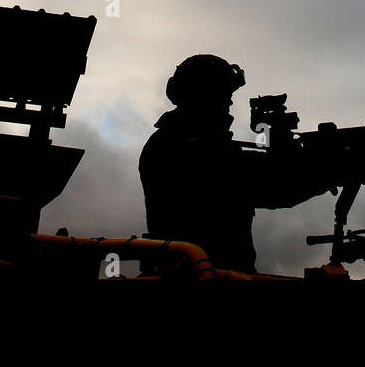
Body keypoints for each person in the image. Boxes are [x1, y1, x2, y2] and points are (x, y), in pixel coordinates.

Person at [139, 55, 330, 273]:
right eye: (224, 95)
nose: (229, 103)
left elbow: (268, 174)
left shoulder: (174, 141)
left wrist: (281, 144)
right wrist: (327, 169)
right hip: (205, 278)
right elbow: (276, 185)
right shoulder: (185, 148)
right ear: (204, 96)